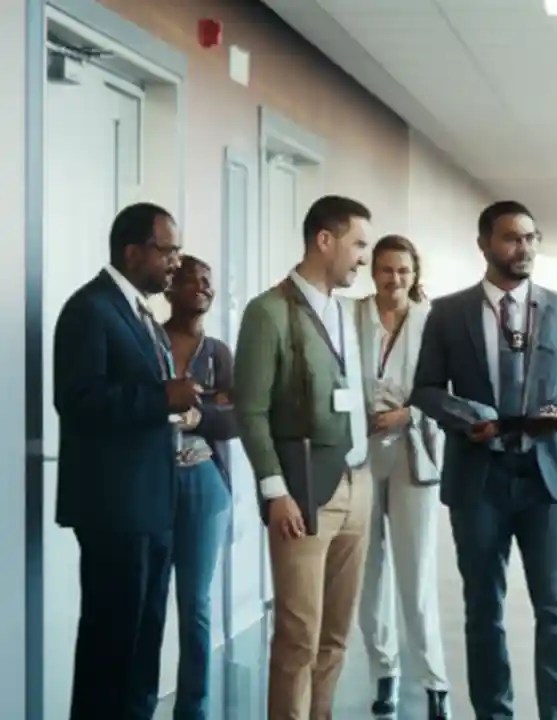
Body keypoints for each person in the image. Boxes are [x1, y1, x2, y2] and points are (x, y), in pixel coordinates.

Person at [411, 200, 557, 720]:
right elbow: (424, 388)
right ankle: (494, 713)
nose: (525, 249)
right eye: (513, 238)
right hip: (479, 478)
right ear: (485, 245)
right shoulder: (448, 314)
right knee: (483, 610)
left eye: (532, 238)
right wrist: (462, 412)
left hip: (549, 479)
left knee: (556, 611)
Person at [53, 202, 200, 719]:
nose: (176, 264)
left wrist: (177, 406)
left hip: (152, 508)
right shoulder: (90, 310)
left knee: (143, 646)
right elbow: (79, 400)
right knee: (110, 650)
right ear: (133, 251)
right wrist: (163, 399)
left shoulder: (143, 315)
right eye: (168, 251)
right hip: (114, 510)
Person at [234, 195, 374, 720]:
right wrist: (275, 490)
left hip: (357, 485)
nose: (363, 256)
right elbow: (250, 411)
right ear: (325, 240)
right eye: (357, 244)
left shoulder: (343, 311)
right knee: (299, 634)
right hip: (303, 492)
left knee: (336, 635)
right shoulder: (268, 312)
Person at [354, 234, 449, 719]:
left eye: (404, 272)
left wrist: (408, 414)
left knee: (416, 575)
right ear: (373, 270)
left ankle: (434, 682)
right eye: (387, 269)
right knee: (369, 576)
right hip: (362, 455)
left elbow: (445, 390)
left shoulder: (431, 322)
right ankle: (384, 673)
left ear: (415, 275)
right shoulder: (353, 317)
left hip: (414, 453)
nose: (395, 279)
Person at [162, 255, 237, 720]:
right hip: (150, 480)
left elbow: (233, 420)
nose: (204, 287)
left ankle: (193, 710)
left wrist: (197, 414)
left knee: (196, 603)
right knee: (146, 596)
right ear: (171, 287)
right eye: (194, 279)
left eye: (210, 281)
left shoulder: (219, 353)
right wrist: (208, 404)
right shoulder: (150, 338)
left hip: (205, 483)